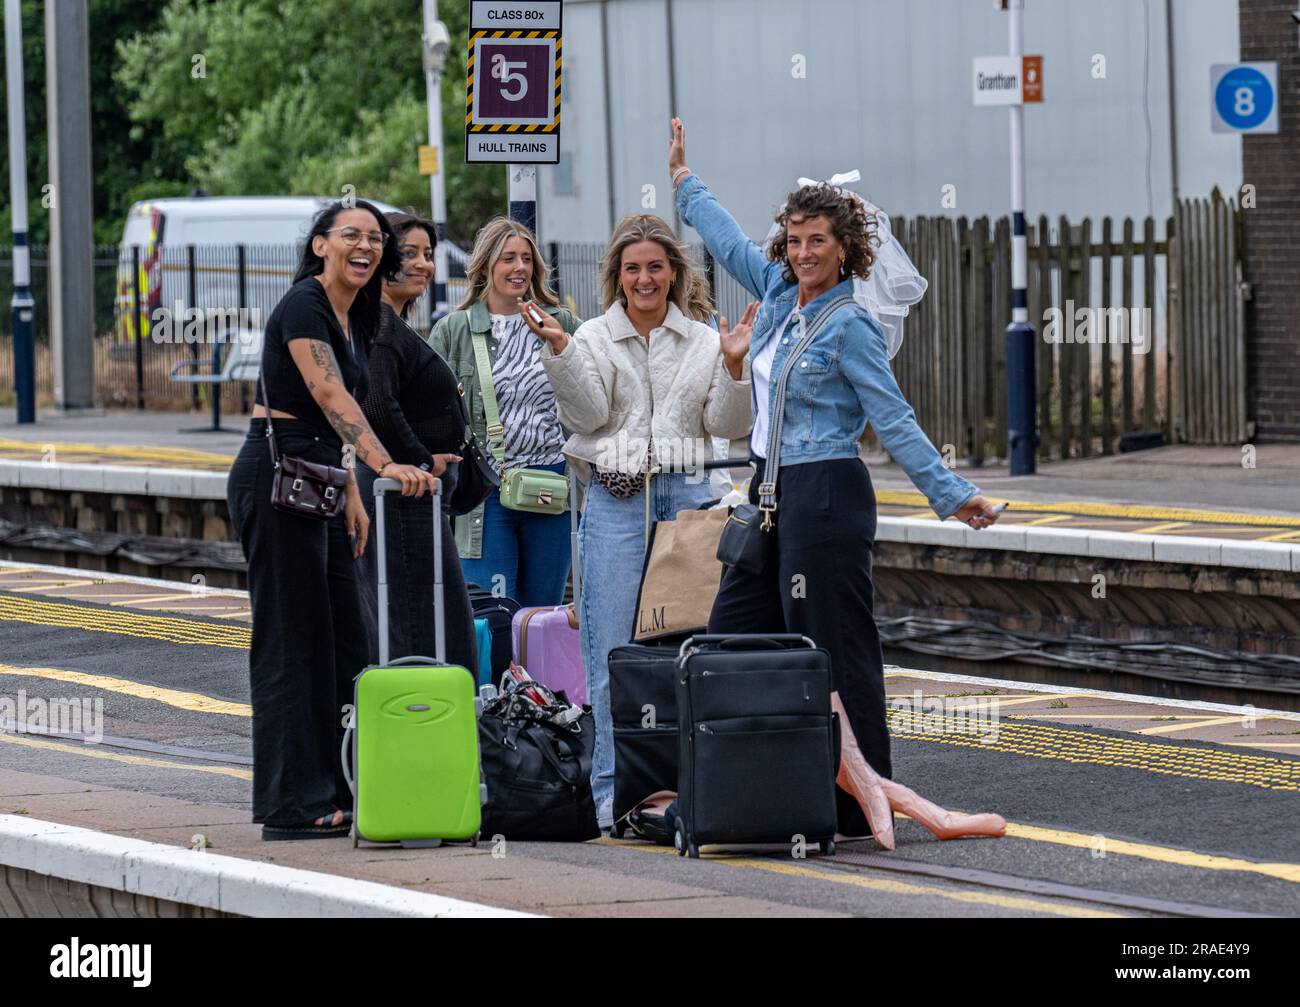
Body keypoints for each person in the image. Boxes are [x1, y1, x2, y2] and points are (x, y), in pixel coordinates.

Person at [669, 118, 1006, 843]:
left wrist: (953, 496)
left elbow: (896, 418)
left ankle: (857, 803)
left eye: (816, 240)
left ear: (846, 249)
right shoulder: (776, 294)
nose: (801, 253)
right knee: (733, 638)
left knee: (833, 649)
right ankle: (756, 785)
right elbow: (728, 242)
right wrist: (684, 186)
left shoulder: (851, 325)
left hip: (826, 495)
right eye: (792, 240)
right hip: (767, 496)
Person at [524, 213, 754, 829]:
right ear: (617, 277)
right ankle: (612, 792)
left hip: (688, 499)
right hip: (616, 499)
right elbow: (589, 415)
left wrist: (735, 368)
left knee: (688, 648)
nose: (645, 278)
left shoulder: (706, 340)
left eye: (656, 266)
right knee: (611, 651)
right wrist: (561, 352)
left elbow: (728, 426)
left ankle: (692, 788)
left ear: (674, 273)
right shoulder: (594, 336)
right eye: (633, 268)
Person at [226, 200, 437, 841]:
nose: (365, 247)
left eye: (375, 239)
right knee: (294, 642)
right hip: (276, 475)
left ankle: (345, 783)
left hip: (318, 478)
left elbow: (333, 416)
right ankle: (292, 804)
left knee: (348, 637)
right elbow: (327, 395)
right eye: (350, 235)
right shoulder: (305, 304)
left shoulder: (356, 316)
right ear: (320, 245)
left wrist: (349, 481)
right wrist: (385, 462)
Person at [430, 217, 581, 607]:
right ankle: (494, 672)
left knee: (541, 613)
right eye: (508, 258)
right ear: (485, 266)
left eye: (527, 259)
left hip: (551, 485)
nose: (520, 268)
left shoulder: (560, 323)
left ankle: (535, 672)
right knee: (491, 612)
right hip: (486, 489)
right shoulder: (453, 330)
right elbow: (426, 408)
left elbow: (596, 380)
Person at [356, 211, 474, 672]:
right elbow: (378, 405)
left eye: (428, 254)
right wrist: (423, 462)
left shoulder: (390, 323)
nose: (424, 264)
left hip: (409, 495)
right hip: (402, 498)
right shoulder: (382, 327)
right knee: (422, 623)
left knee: (433, 618)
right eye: (410, 253)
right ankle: (421, 724)